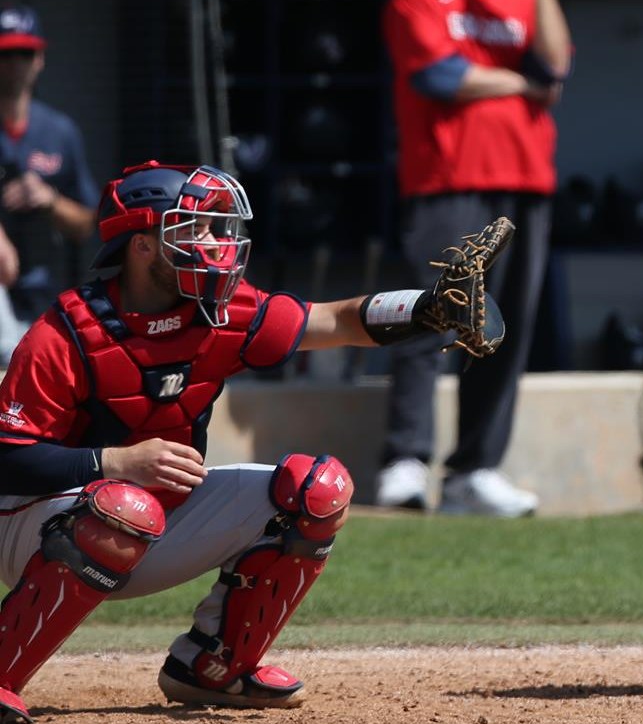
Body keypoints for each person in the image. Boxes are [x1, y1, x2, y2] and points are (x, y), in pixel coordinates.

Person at [0, 160, 508, 721]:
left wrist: (426, 307)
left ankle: (216, 666)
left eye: (219, 228)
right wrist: (114, 461)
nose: (217, 243)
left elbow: (335, 321)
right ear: (142, 246)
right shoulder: (65, 334)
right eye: (194, 229)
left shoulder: (220, 312)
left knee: (317, 488)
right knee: (126, 505)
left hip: (151, 518)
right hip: (35, 523)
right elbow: (8, 460)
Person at [379, 0, 573, 516]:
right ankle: (405, 459)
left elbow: (555, 67)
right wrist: (518, 83)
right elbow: (440, 76)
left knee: (501, 331)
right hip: (447, 175)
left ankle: (474, 471)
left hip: (524, 176)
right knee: (430, 313)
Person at [0, 5, 100, 363]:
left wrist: (49, 199)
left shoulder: (59, 131)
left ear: (39, 58)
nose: (14, 63)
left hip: (44, 295)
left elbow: (88, 224)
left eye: (23, 53)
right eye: (5, 53)